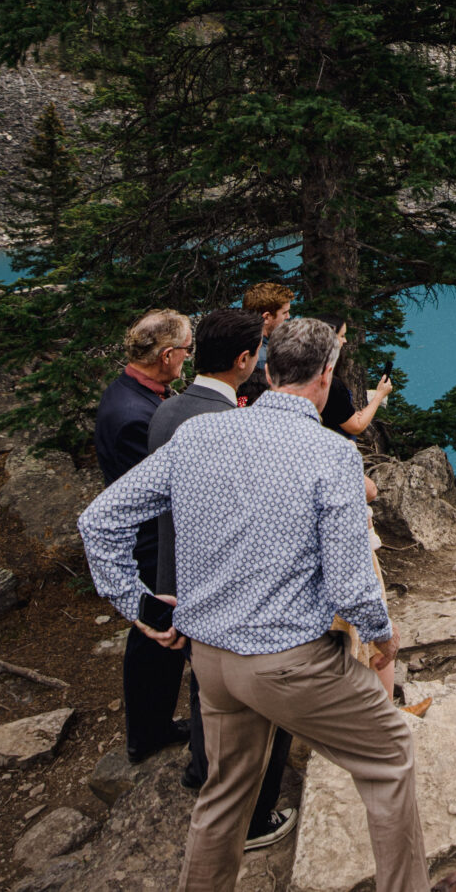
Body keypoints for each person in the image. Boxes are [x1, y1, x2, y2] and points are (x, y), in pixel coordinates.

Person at [78, 317, 437, 892]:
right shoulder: (331, 455)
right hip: (289, 662)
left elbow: (99, 522)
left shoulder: (199, 436)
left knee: (225, 792)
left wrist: (142, 607)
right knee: (391, 751)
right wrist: (383, 636)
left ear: (267, 371)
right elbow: (350, 582)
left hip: (213, 662)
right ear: (326, 376)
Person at [144, 309, 296, 851]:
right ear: (244, 359)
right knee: (249, 699)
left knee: (202, 681)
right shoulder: (224, 424)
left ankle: (200, 765)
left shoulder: (168, 412)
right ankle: (252, 814)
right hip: (216, 582)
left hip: (175, 574)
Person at [92, 308, 194, 764]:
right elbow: (154, 488)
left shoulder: (134, 391)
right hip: (151, 544)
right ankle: (146, 734)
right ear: (168, 355)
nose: (189, 358)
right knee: (155, 635)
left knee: (161, 636)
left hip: (153, 539)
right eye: (187, 350)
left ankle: (152, 725)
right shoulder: (134, 415)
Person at [313, 314, 393, 440]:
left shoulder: (303, 372)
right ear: (329, 339)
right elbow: (356, 426)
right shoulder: (332, 385)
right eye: (342, 336)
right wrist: (379, 395)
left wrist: (349, 414)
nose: (344, 341)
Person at [237, 280, 295, 404]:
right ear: (267, 317)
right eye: (284, 312)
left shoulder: (238, 341)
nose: (288, 317)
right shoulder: (261, 357)